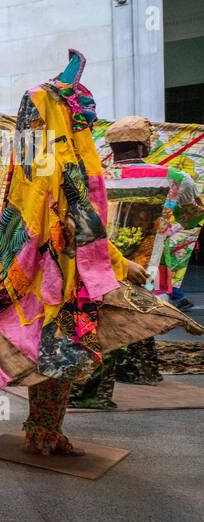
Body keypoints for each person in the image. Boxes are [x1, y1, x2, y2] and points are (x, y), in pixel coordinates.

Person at [0, 51, 201, 454]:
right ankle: (43, 431)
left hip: (56, 273)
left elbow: (67, 216)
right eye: (79, 110)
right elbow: (77, 216)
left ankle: (45, 430)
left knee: (54, 356)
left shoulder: (43, 157)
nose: (84, 118)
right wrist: (120, 262)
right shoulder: (61, 160)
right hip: (59, 277)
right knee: (54, 355)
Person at [68, 115, 199, 408]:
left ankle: (113, 380)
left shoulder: (94, 177)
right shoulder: (176, 178)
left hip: (102, 263)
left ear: (112, 147)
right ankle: (134, 375)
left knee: (106, 320)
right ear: (145, 144)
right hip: (149, 264)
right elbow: (191, 219)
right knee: (143, 316)